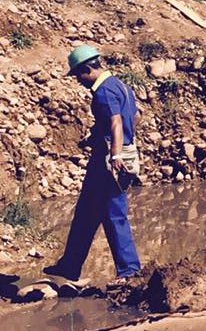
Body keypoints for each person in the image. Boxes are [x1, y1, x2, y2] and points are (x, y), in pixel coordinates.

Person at [43, 45, 142, 284]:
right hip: (112, 156)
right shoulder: (121, 86)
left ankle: (129, 271)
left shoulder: (103, 91)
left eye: (78, 75)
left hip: (109, 162)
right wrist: (101, 136)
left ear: (87, 69)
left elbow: (116, 123)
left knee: (114, 214)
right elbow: (135, 116)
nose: (78, 81)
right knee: (86, 212)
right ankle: (70, 266)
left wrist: (116, 155)